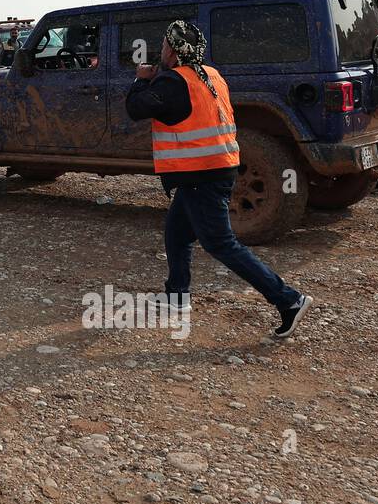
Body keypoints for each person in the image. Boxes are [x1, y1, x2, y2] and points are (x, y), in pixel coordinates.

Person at [125, 20, 312, 338]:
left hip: (201, 173)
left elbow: (135, 108)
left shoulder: (172, 82)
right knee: (177, 234)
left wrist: (141, 80)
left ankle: (288, 299)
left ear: (173, 50)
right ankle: (176, 295)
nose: (162, 51)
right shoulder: (210, 74)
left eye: (166, 46)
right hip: (214, 167)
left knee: (221, 243)